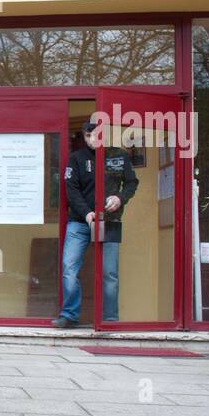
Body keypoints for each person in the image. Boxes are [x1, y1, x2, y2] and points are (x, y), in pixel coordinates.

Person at [53, 118, 139, 327]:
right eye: (88, 135)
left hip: (110, 221)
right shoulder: (76, 159)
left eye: (97, 134)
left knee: (109, 272)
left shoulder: (118, 156)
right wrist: (87, 213)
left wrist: (119, 198)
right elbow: (70, 191)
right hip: (79, 222)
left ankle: (109, 319)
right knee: (69, 267)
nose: (92, 139)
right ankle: (69, 316)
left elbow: (131, 183)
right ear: (84, 136)